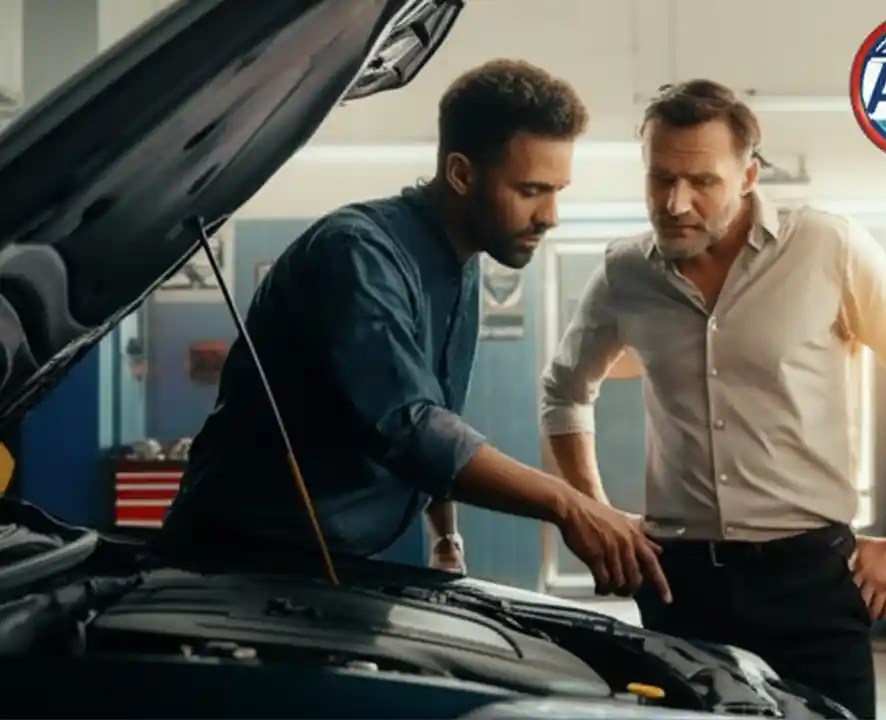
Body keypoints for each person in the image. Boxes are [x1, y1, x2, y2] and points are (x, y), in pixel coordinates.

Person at [157, 59, 671, 606]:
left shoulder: (463, 262)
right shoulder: (357, 254)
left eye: (557, 191)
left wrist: (446, 537)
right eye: (531, 190)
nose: (550, 215)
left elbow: (437, 413)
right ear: (461, 175)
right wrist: (569, 504)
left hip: (333, 566)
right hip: (237, 568)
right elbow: (408, 426)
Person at [539, 79, 886, 719]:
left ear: (748, 177)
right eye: (660, 179)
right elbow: (564, 392)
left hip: (812, 581)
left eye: (702, 182)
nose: (676, 203)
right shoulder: (625, 272)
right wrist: (594, 513)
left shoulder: (827, 247)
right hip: (680, 584)